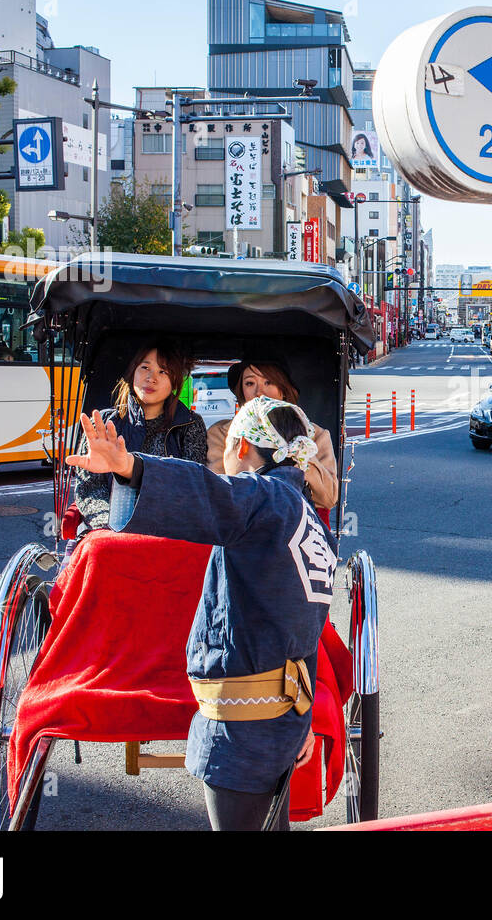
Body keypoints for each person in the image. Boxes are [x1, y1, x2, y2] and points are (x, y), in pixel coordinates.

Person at [67, 396, 334, 830]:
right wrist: (303, 717)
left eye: (228, 444)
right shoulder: (309, 521)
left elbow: (205, 490)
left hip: (239, 733)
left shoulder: (263, 498)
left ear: (242, 446)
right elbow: (304, 628)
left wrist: (129, 467)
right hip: (281, 722)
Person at [73, 339, 207, 531]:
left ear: (175, 381)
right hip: (109, 529)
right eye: (145, 368)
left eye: (163, 371)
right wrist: (108, 526)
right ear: (132, 372)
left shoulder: (189, 425)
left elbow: (190, 485)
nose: (151, 378)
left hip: (167, 529)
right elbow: (89, 489)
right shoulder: (103, 423)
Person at [205, 360, 339, 515]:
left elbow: (328, 498)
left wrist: (297, 447)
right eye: (249, 383)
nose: (259, 392)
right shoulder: (221, 433)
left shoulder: (314, 434)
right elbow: (218, 491)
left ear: (283, 389)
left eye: (268, 382)